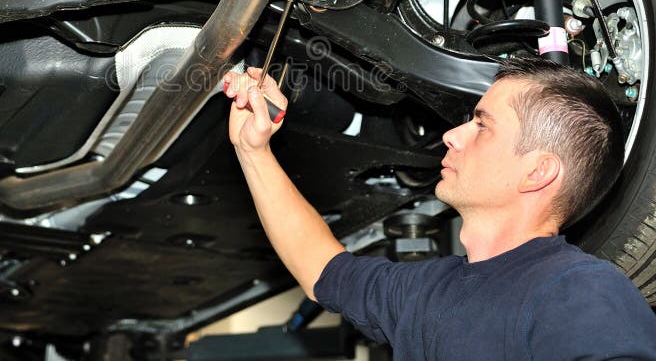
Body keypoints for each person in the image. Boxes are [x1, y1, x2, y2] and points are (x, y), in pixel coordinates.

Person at [222, 57, 656, 359]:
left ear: (538, 172)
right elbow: (323, 270)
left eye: (482, 125)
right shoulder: (427, 291)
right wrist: (253, 150)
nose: (453, 135)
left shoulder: (581, 294)